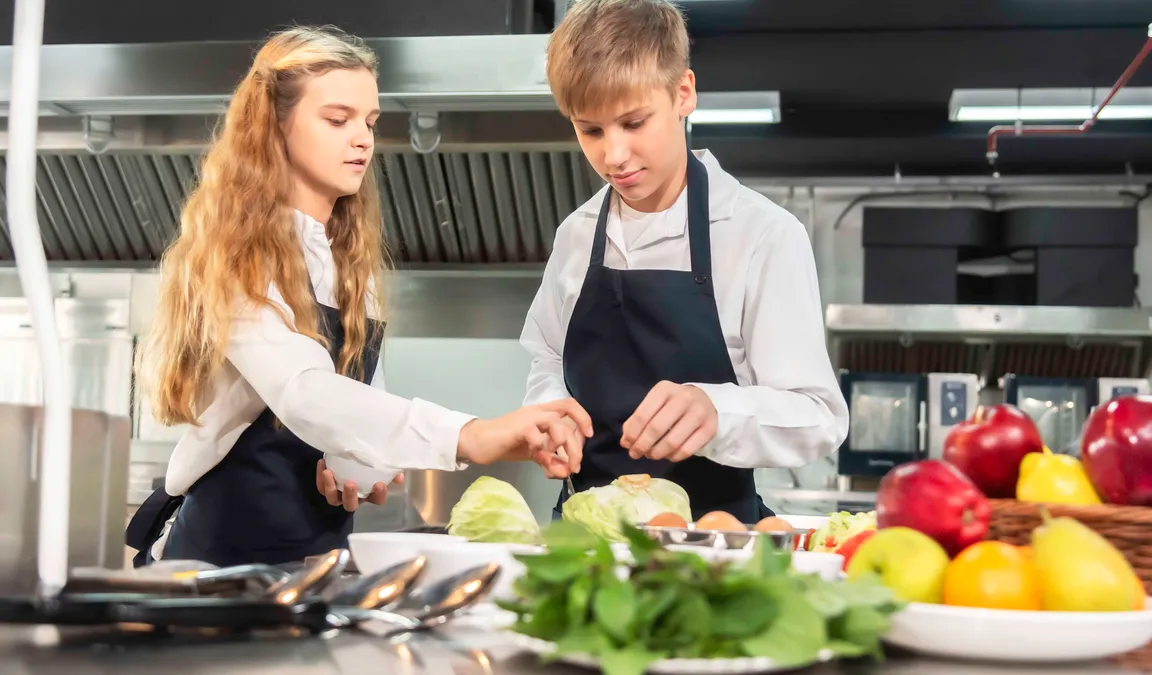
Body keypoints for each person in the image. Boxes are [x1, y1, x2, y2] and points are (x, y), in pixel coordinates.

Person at [126, 26, 591, 569]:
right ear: (275, 126)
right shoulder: (239, 254)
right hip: (224, 556)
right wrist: (472, 434)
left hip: (319, 555)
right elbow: (304, 392)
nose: (363, 139)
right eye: (337, 119)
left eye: (370, 122)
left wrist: (354, 470)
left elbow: (362, 403)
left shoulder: (348, 263)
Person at [519, 0, 849, 524]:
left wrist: (718, 411)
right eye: (591, 131)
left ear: (683, 94)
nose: (615, 155)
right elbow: (548, 362)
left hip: (714, 541)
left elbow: (818, 417)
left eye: (633, 122)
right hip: (585, 541)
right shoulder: (577, 236)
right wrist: (552, 414)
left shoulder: (760, 234)